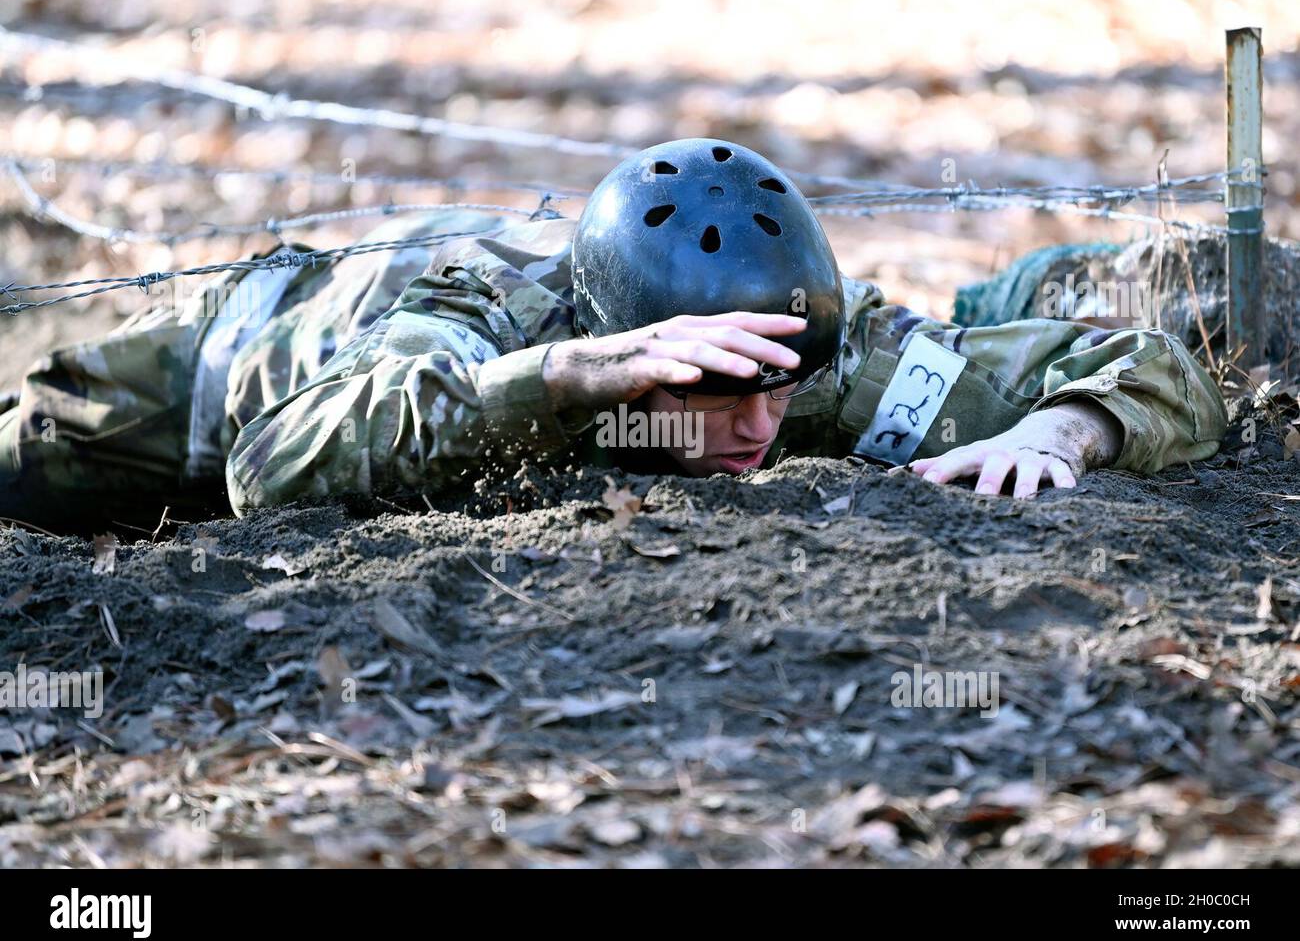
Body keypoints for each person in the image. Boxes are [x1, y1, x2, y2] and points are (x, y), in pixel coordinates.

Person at [0, 138, 1227, 532]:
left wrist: (1071, 429)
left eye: (777, 385)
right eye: (714, 387)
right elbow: (270, 467)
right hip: (220, 369)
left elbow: (1139, 365)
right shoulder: (484, 326)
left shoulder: (802, 357)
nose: (761, 425)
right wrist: (568, 380)